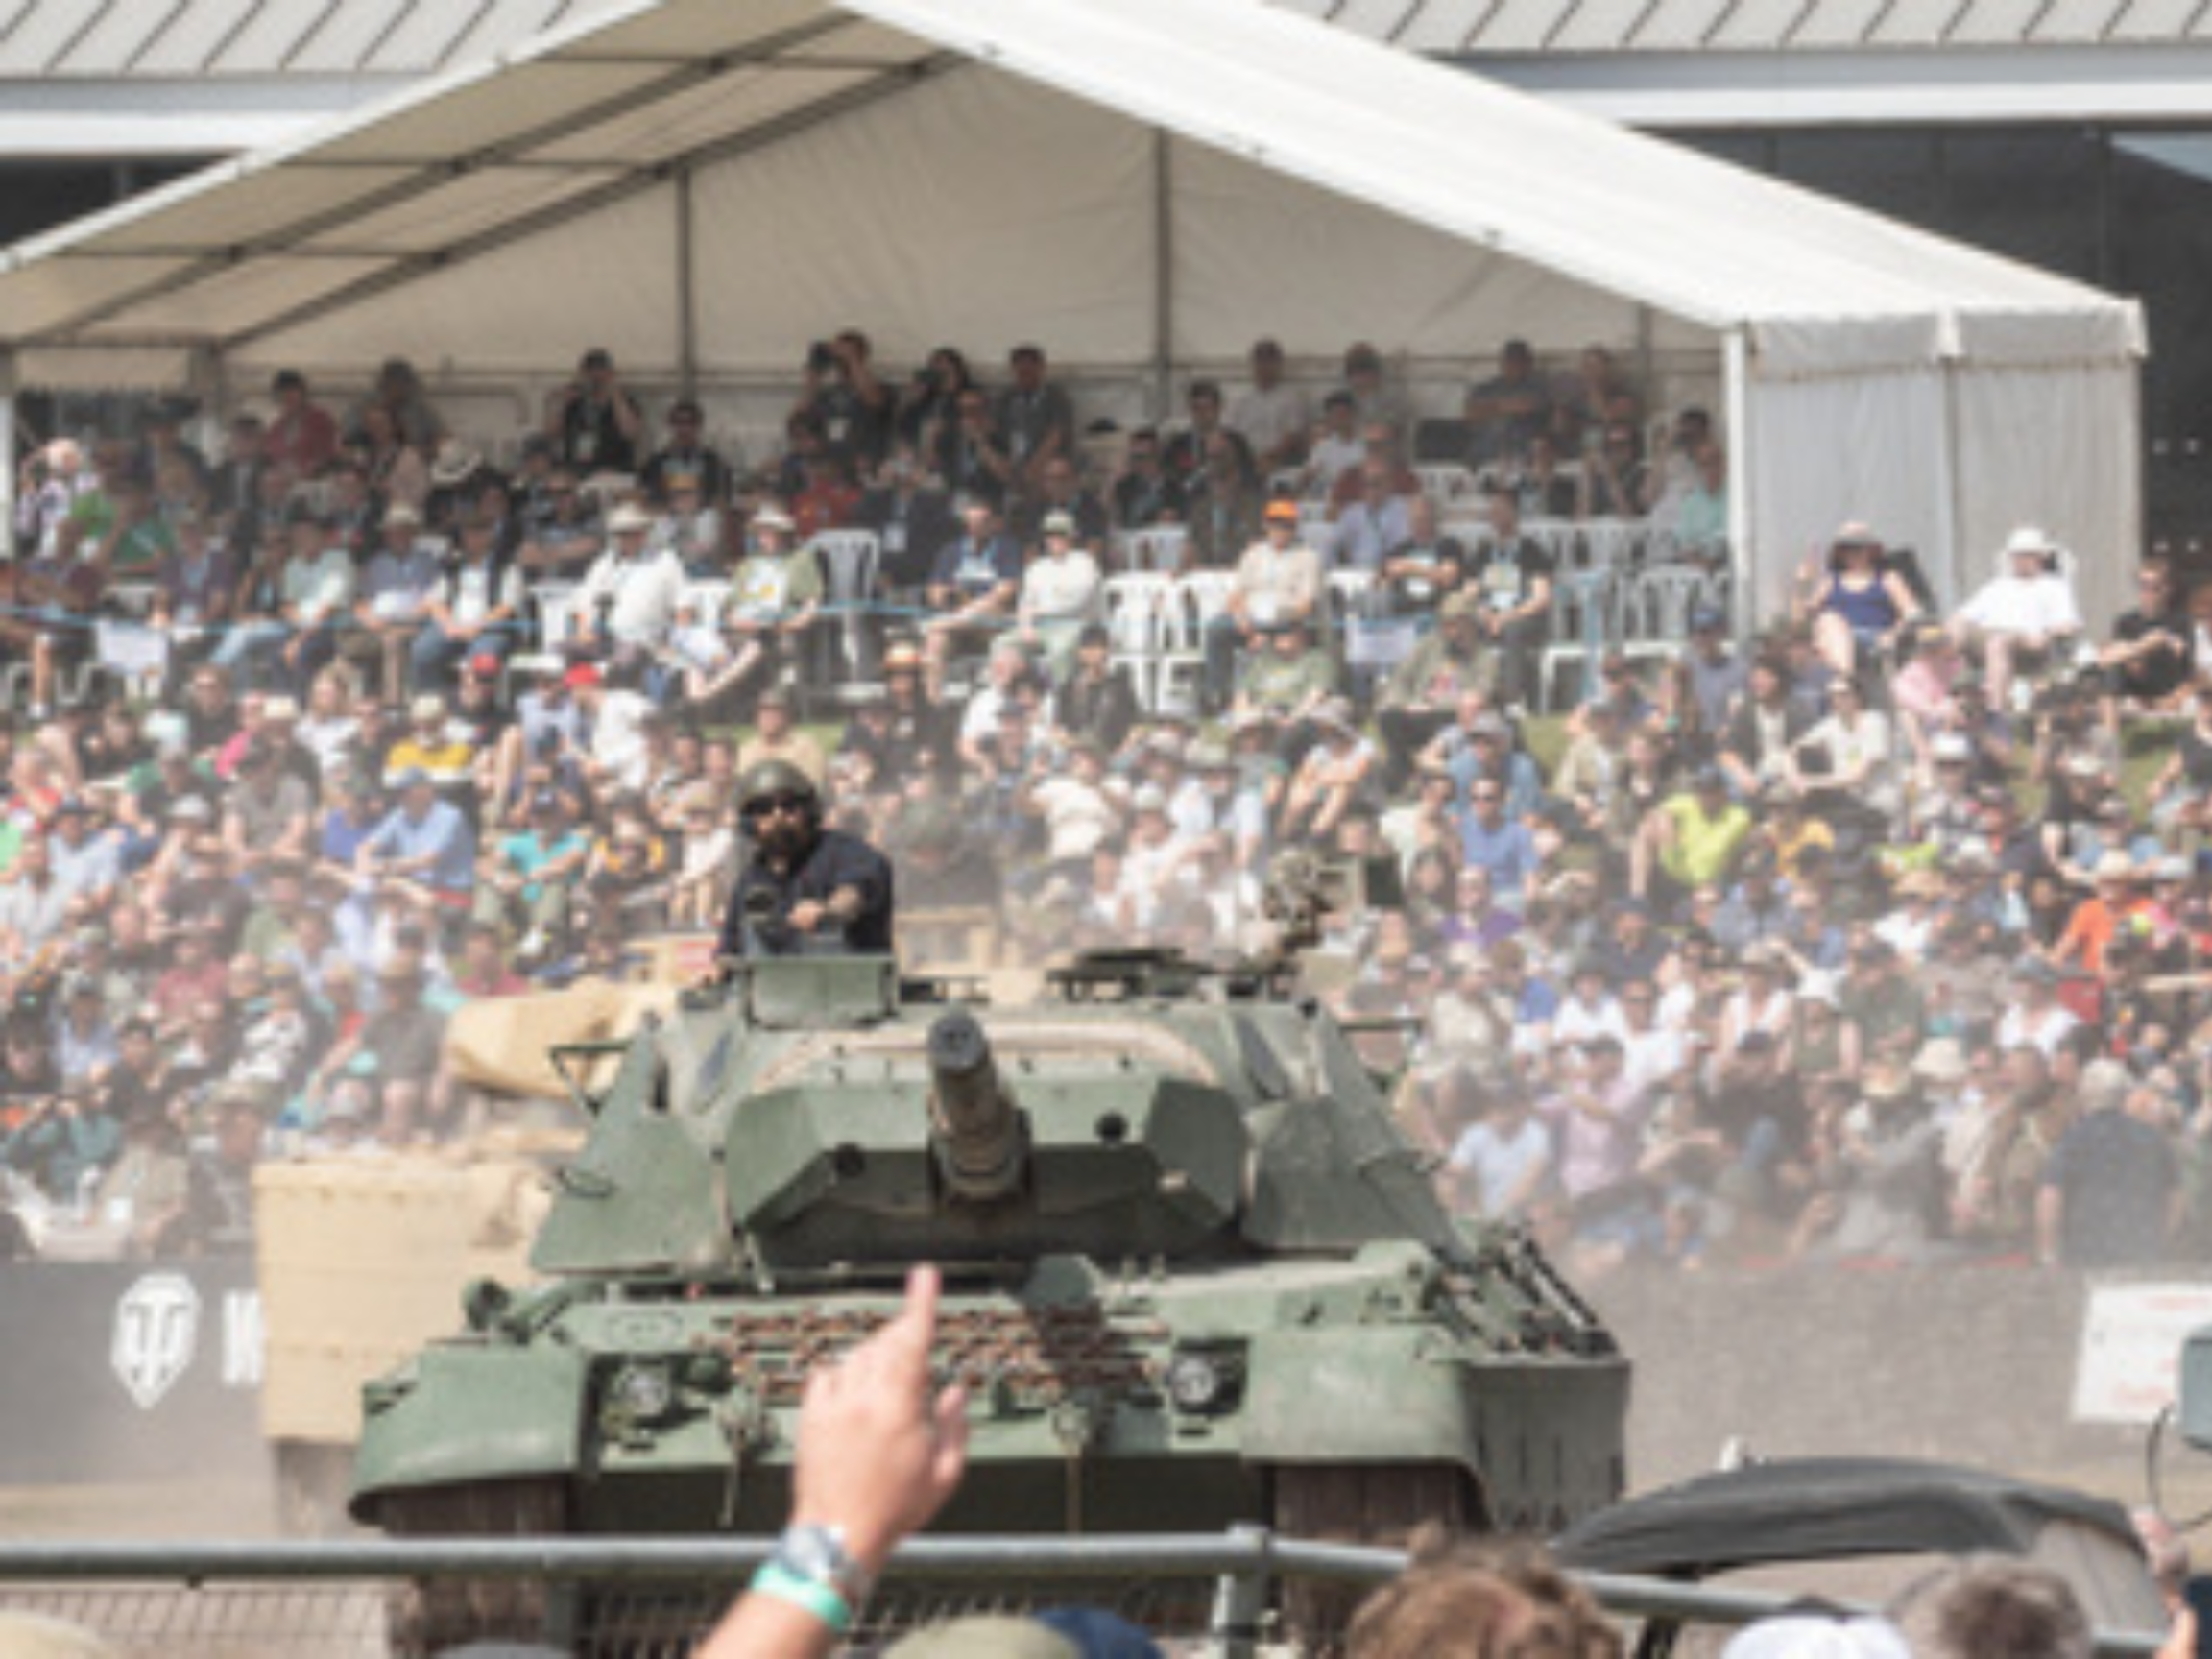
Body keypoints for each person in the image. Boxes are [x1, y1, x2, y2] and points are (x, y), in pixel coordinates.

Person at [717, 761, 894, 960]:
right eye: (764, 808)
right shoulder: (751, 877)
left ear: (809, 811)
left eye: (789, 806)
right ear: (749, 823)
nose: (778, 816)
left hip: (851, 983)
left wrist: (828, 911)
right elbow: (730, 947)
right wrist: (717, 970)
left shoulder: (844, 852)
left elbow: (856, 891)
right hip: (775, 986)